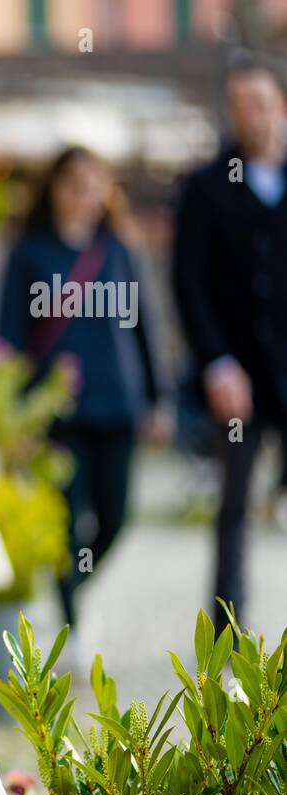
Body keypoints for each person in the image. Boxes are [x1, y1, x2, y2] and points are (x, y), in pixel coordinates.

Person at [0, 146, 169, 627]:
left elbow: (145, 328)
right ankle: (72, 618)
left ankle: (72, 586)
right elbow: (10, 332)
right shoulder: (29, 252)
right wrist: (15, 410)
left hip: (118, 402)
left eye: (94, 184)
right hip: (58, 409)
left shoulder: (119, 249)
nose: (83, 194)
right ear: (53, 188)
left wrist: (159, 400)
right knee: (68, 520)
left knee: (116, 517)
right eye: (73, 183)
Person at [173, 57, 287, 634]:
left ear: (282, 106)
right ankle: (227, 640)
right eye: (241, 106)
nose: (252, 117)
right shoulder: (206, 187)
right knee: (235, 508)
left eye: (262, 104)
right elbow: (188, 283)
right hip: (237, 375)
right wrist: (217, 361)